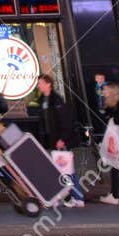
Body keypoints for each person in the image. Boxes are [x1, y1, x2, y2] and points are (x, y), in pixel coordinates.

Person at [37, 74, 84, 205]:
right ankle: (59, 196)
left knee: (67, 170)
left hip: (60, 140)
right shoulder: (43, 100)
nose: (38, 85)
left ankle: (78, 197)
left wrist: (63, 138)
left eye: (40, 83)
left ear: (48, 84)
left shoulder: (56, 100)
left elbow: (66, 121)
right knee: (57, 170)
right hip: (50, 139)